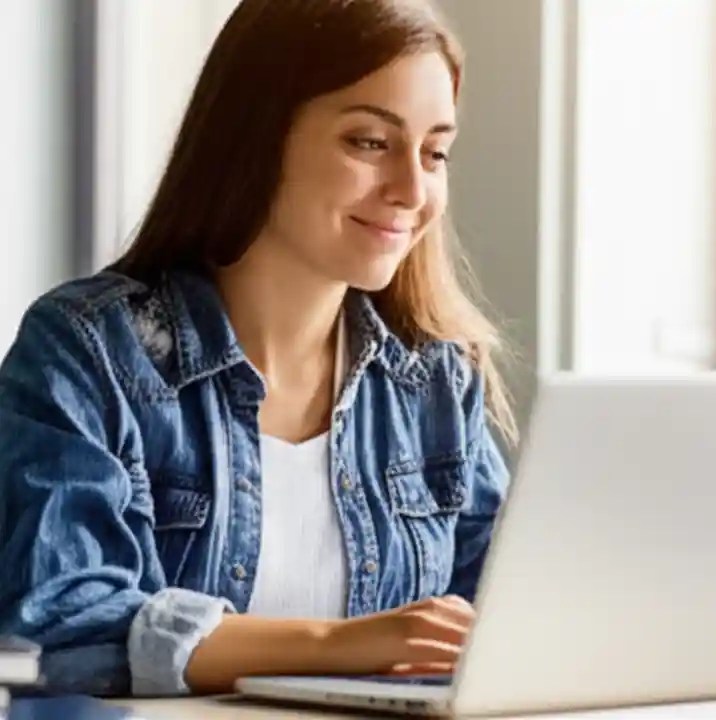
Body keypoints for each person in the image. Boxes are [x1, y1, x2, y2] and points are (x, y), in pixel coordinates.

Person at [0, 0, 515, 697]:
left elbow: (514, 622)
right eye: (369, 142)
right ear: (257, 137)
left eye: (435, 153)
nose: (412, 190)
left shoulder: (435, 380)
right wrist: (338, 647)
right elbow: (63, 625)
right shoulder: (88, 350)